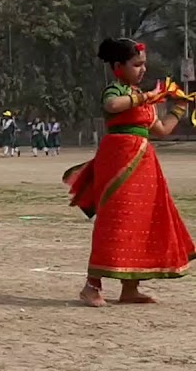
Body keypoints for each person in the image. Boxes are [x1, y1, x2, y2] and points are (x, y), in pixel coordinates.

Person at [64, 38, 194, 307]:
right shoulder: (115, 91)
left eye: (143, 65)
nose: (143, 70)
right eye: (136, 65)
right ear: (118, 66)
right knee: (114, 220)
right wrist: (147, 96)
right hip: (119, 160)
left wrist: (180, 107)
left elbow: (160, 130)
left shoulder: (141, 98)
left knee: (138, 221)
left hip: (144, 162)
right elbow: (113, 106)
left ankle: (130, 288)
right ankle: (91, 286)